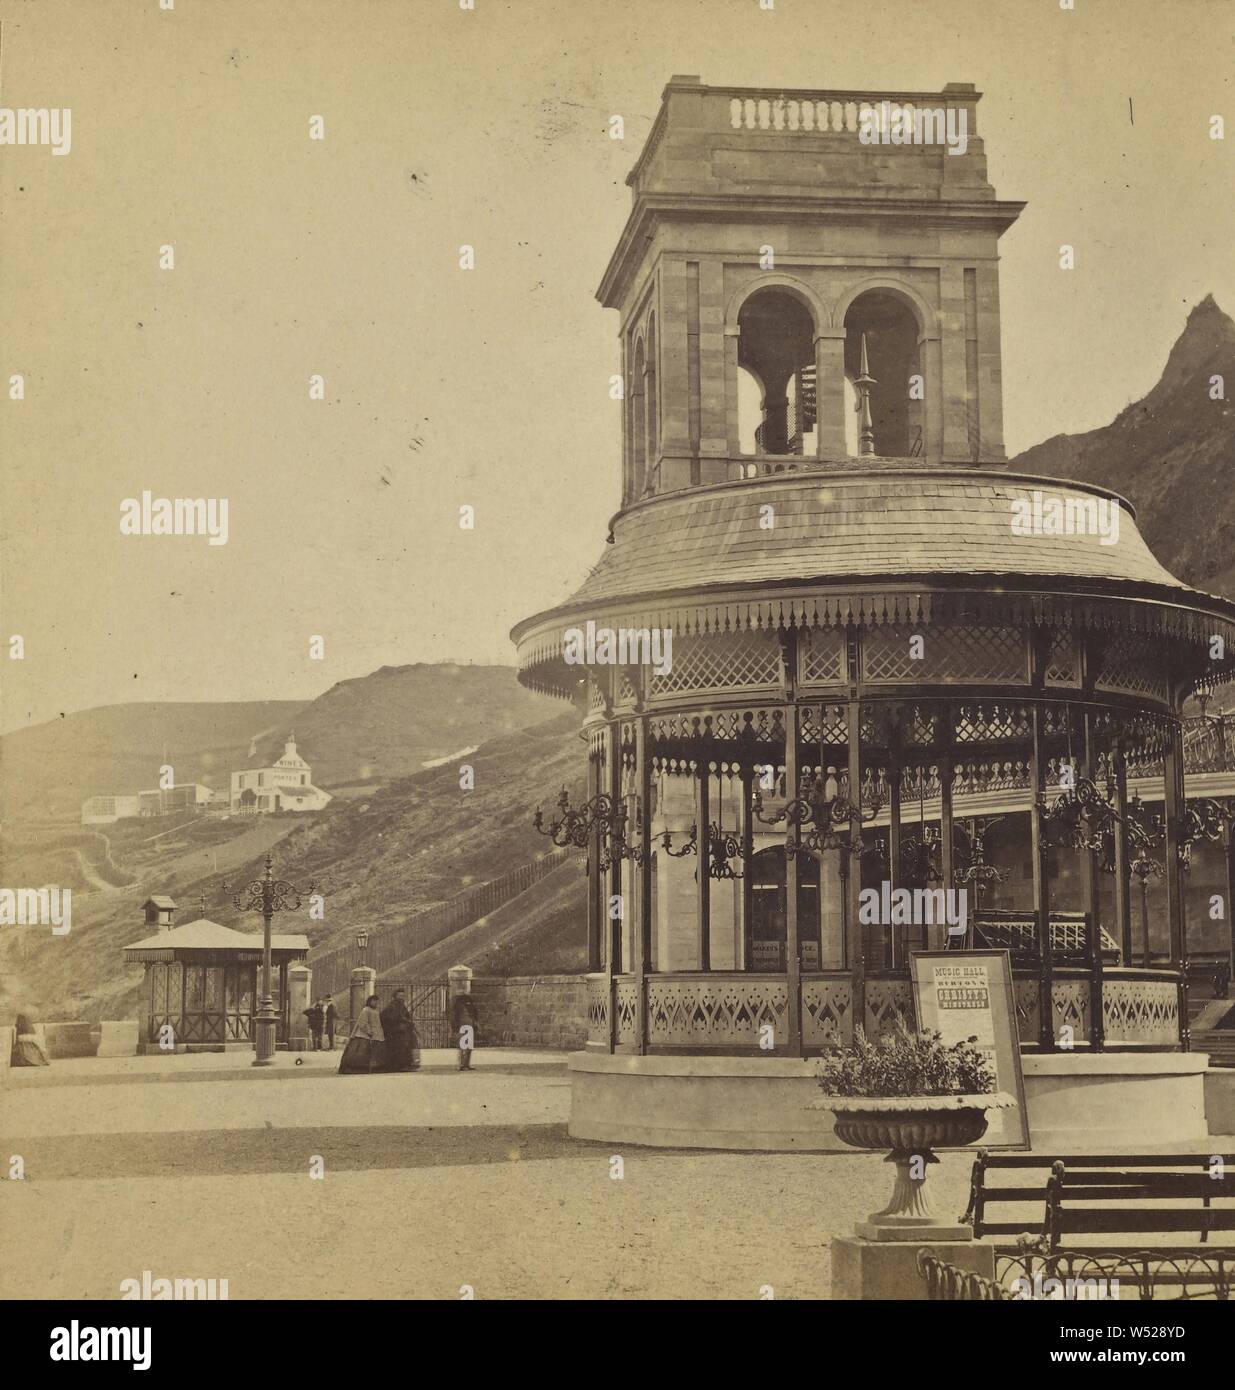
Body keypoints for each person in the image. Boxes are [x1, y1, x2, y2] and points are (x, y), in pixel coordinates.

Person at [337, 994, 384, 1074]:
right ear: (370, 1001)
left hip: (376, 1035)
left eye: (377, 1001)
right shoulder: (366, 1010)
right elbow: (362, 1023)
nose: (375, 1003)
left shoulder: (376, 1011)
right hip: (364, 1035)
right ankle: (358, 1068)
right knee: (360, 1052)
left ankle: (370, 1068)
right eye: (374, 1001)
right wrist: (369, 1031)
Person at [379, 988, 418, 1072]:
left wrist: (407, 1021)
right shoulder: (391, 1006)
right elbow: (387, 1017)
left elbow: (406, 1016)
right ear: (395, 996)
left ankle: (405, 1065)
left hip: (403, 1031)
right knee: (398, 1049)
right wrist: (400, 1021)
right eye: (399, 996)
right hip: (395, 1032)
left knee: (406, 1047)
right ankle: (398, 1066)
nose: (401, 997)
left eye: (403, 996)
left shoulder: (402, 1006)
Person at [450, 990, 479, 1072]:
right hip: (462, 1026)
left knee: (468, 1046)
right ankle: (461, 1064)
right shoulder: (457, 1004)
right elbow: (454, 1016)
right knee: (463, 1045)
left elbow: (474, 1014)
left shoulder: (468, 1002)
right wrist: (455, 1026)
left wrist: (475, 1023)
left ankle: (466, 1064)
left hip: (469, 1025)